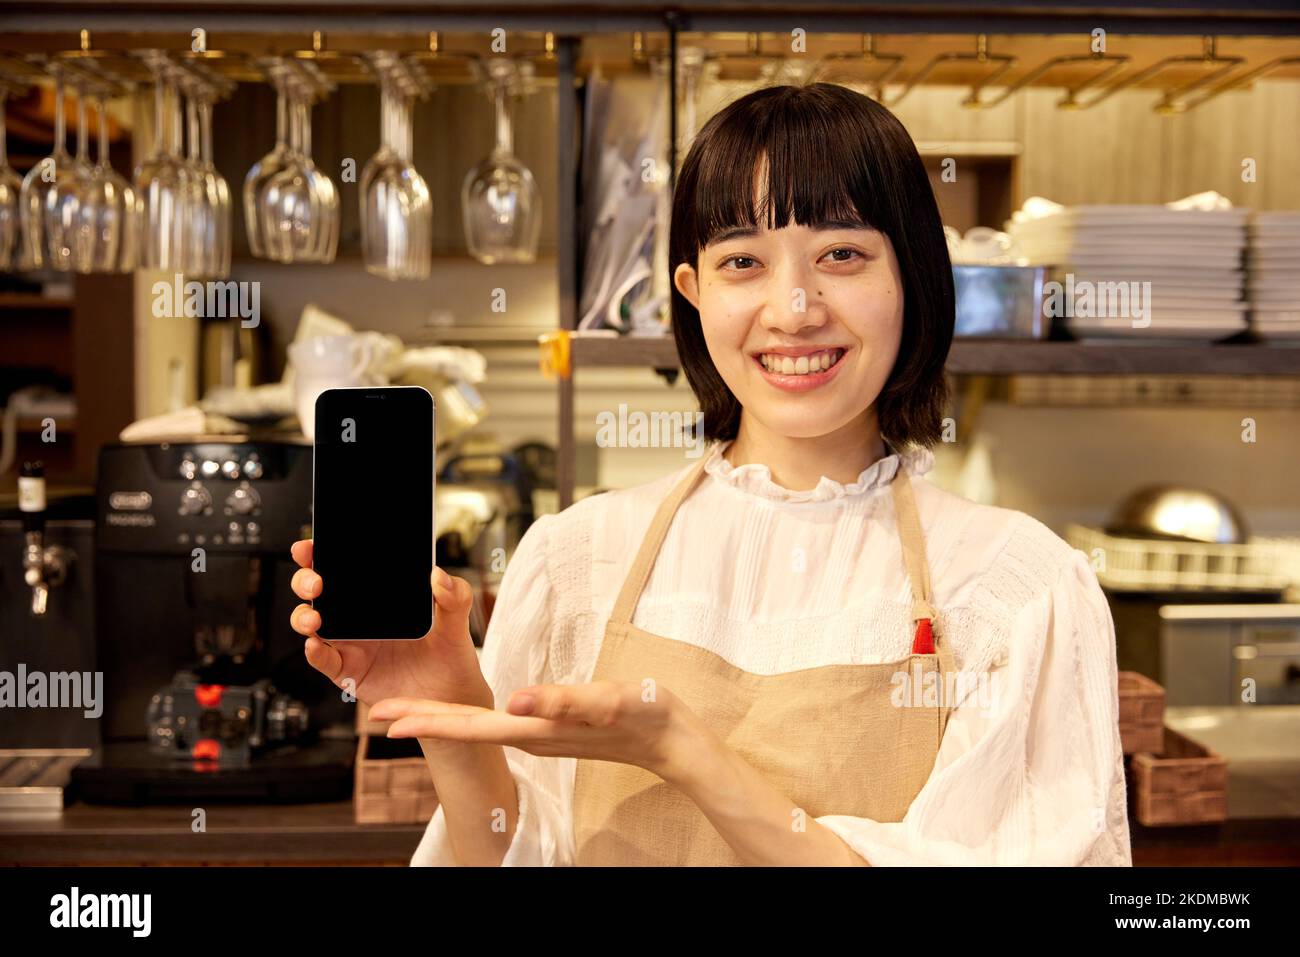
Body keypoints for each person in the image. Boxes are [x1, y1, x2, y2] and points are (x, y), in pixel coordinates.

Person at [289, 82, 1132, 866]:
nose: (794, 308)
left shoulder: (1015, 590)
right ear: (691, 291)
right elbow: (513, 850)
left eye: (841, 253)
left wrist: (683, 751)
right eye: (743, 262)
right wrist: (451, 712)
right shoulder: (578, 559)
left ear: (911, 276)